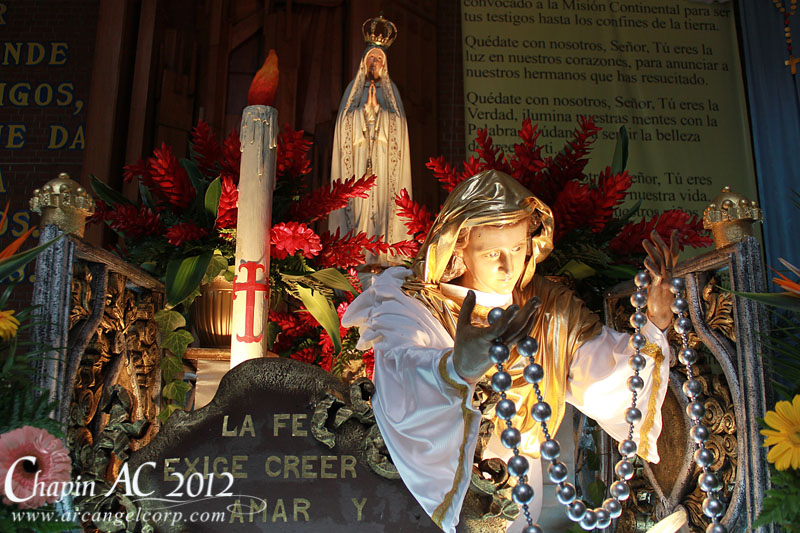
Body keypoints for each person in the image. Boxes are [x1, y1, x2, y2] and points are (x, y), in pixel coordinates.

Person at [342, 170, 677, 532]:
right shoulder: (414, 302)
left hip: (522, 482)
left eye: (518, 249)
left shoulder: (548, 308)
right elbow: (400, 372)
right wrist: (458, 367)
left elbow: (605, 377)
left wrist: (655, 323)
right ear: (459, 248)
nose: (508, 266)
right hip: (440, 486)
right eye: (492, 253)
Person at [329, 16, 412, 267]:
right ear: (364, 62)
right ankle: (357, 256)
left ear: (384, 64)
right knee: (360, 208)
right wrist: (363, 113)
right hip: (357, 162)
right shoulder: (353, 91)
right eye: (371, 59)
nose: (374, 63)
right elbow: (343, 125)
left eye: (379, 60)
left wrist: (379, 113)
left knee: (382, 207)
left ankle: (383, 256)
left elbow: (400, 127)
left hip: (384, 165)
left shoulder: (391, 92)